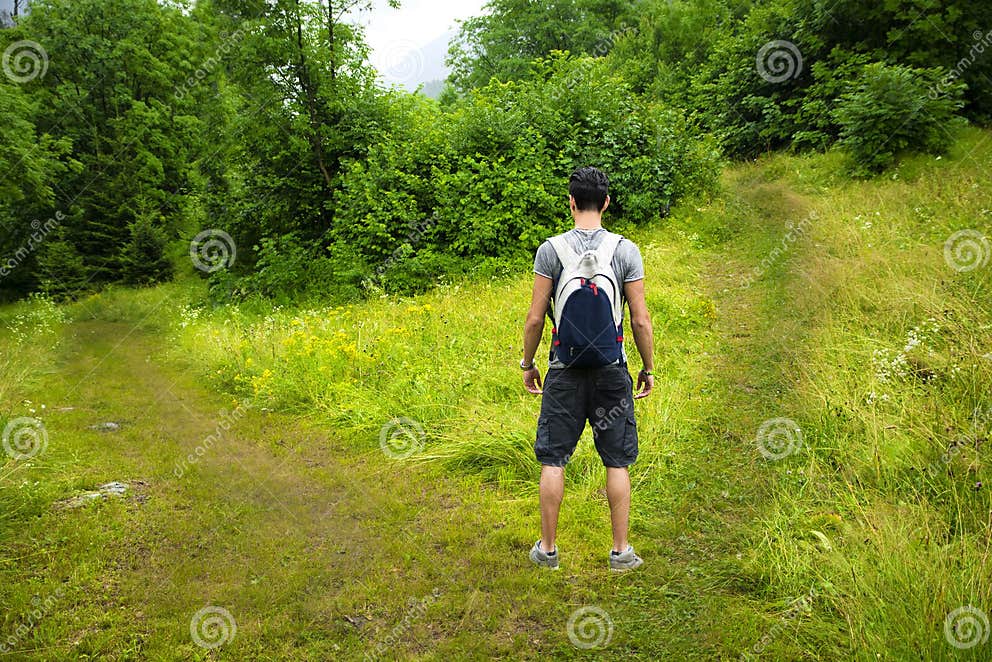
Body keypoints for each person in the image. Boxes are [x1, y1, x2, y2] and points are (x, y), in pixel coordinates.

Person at [520, 166, 655, 571]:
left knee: (553, 458)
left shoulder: (551, 250)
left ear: (572, 202)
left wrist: (527, 364)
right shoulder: (626, 250)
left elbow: (535, 318)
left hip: (563, 369)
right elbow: (640, 320)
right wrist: (648, 369)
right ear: (607, 202)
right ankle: (620, 552)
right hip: (612, 370)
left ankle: (547, 551)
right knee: (616, 460)